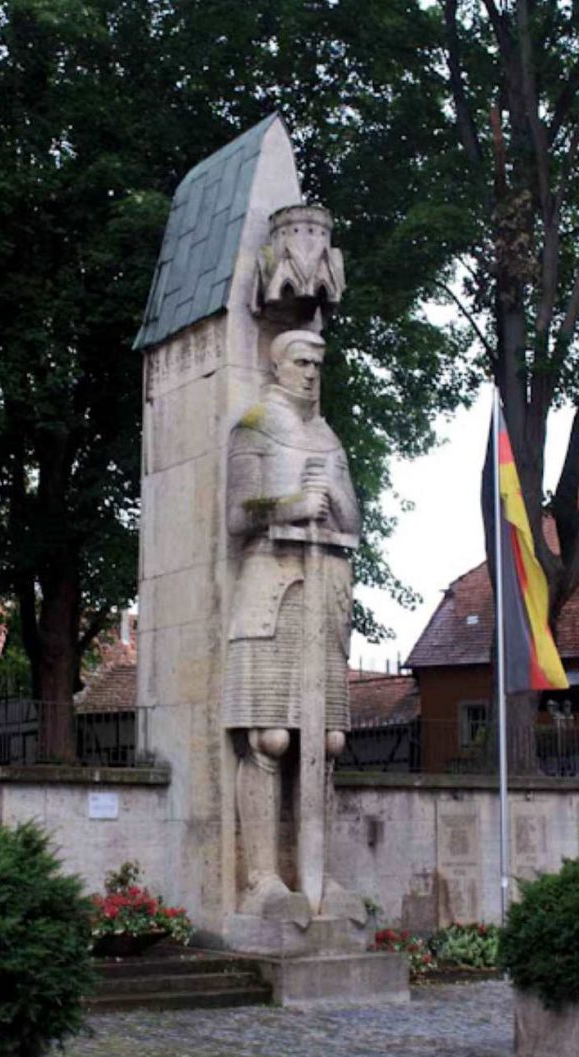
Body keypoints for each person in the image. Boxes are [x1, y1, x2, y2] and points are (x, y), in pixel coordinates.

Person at [223, 330, 361, 921]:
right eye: (301, 363)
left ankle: (318, 873)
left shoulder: (330, 440)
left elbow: (353, 518)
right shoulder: (254, 426)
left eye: (318, 364)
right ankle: (260, 880)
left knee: (327, 743)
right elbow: (236, 516)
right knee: (269, 738)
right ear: (277, 367)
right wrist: (289, 506)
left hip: (324, 597)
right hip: (269, 592)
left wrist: (332, 498)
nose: (311, 373)